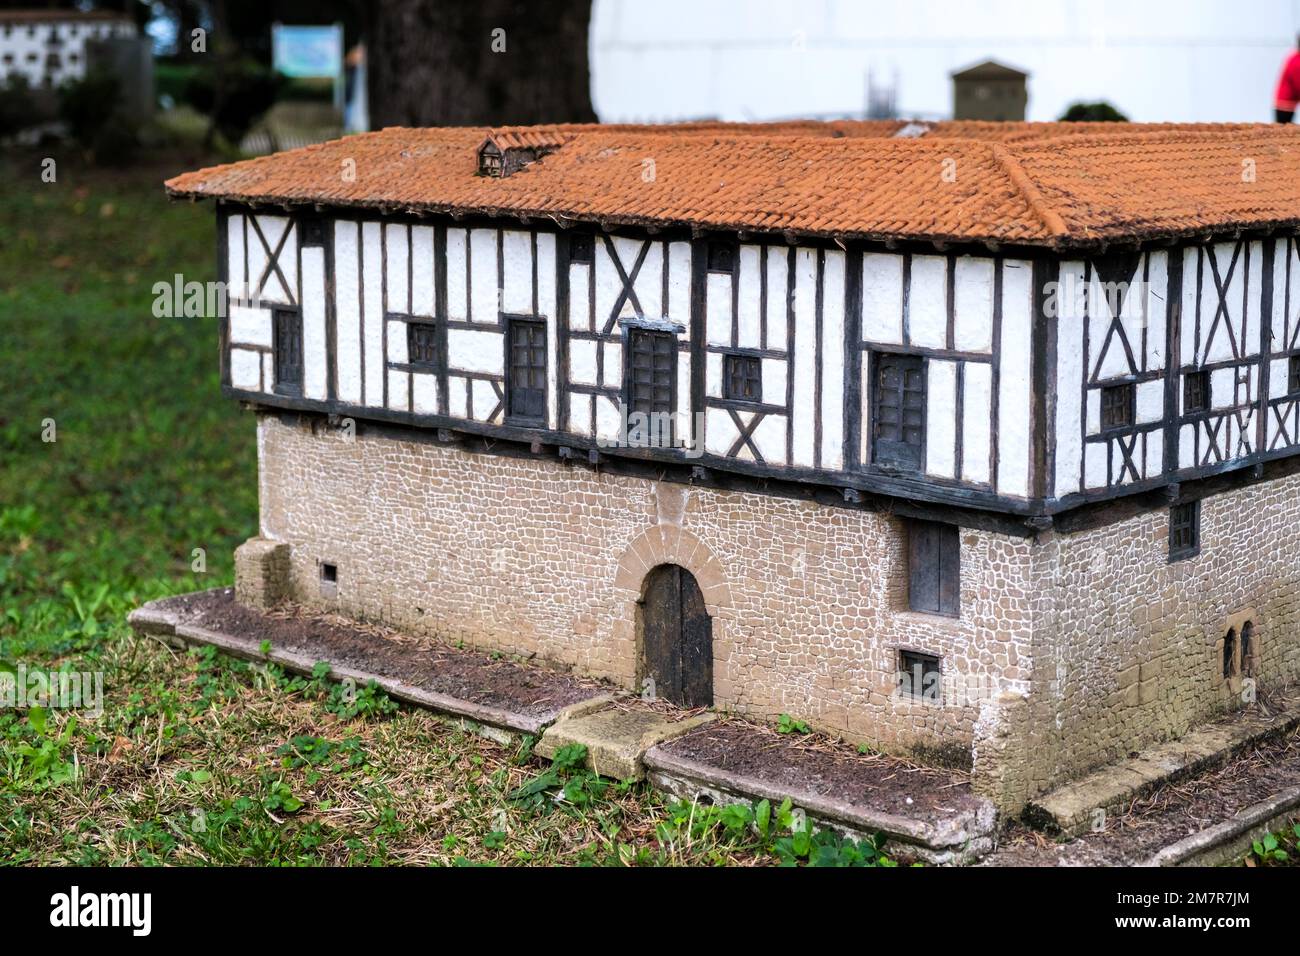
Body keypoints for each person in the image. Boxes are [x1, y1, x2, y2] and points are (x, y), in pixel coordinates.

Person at [1275, 35, 1300, 122]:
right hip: (1285, 104)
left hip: (1287, 103)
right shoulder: (1296, 61)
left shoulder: (1294, 58)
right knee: (1283, 130)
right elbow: (1298, 85)